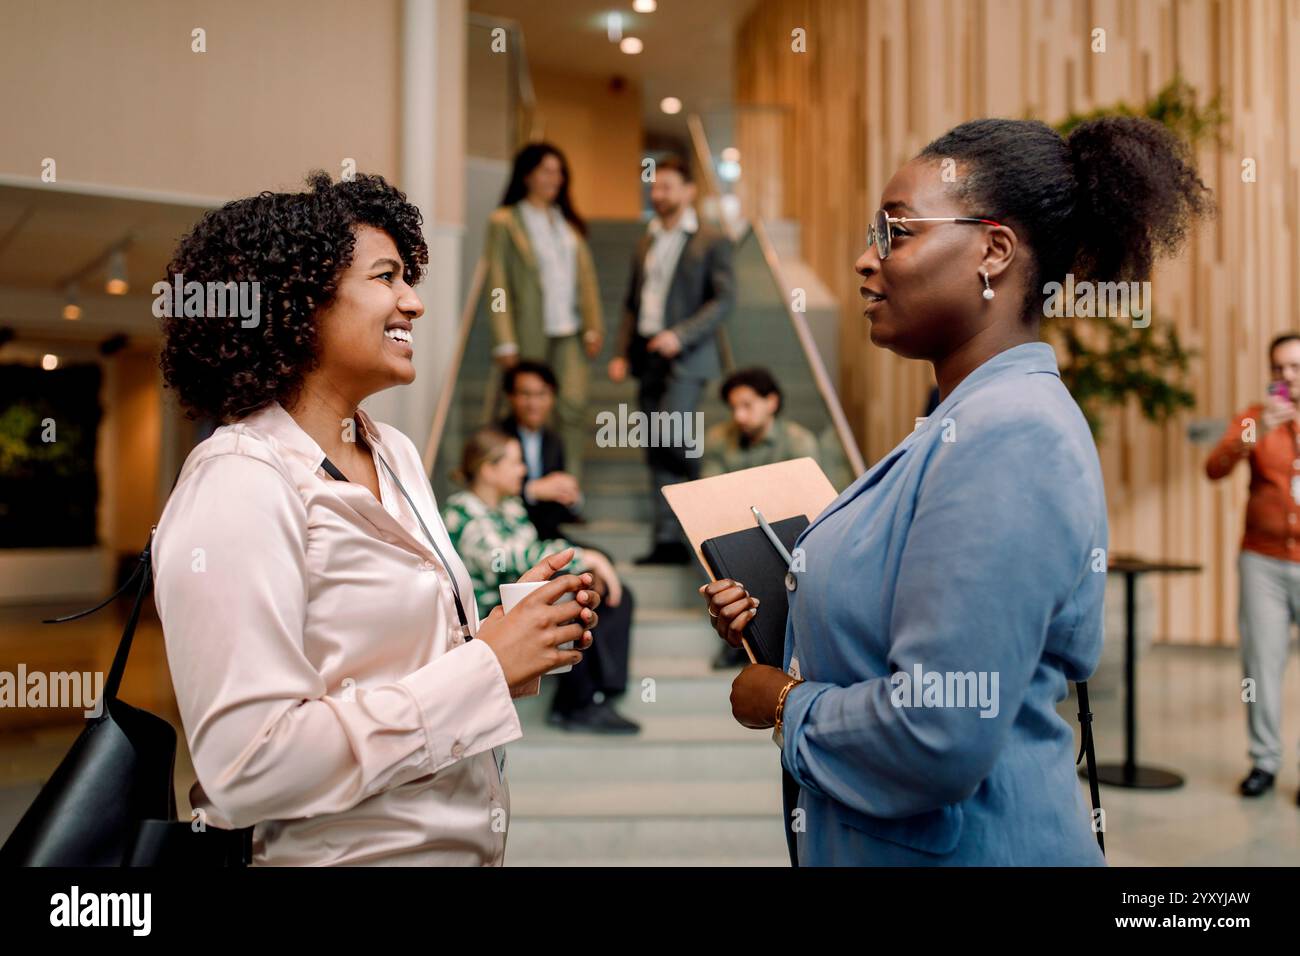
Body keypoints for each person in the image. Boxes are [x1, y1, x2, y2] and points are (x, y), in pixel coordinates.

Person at [702, 116, 1213, 865]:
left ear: (993, 251)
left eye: (896, 233)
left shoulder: (1011, 432)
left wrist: (783, 703)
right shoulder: (959, 420)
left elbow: (938, 728)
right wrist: (782, 619)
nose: (863, 261)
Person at [152, 172, 602, 866]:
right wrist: (485, 668)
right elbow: (247, 768)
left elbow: (395, 660)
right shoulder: (239, 481)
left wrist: (512, 634)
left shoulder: (392, 452)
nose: (414, 303)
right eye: (386, 277)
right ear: (298, 302)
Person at [443, 427, 639, 734]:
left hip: (519, 599)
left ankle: (599, 693)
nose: (524, 470)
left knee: (615, 594)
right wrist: (585, 557)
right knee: (570, 588)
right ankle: (577, 703)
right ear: (489, 469)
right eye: (516, 462)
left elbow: (533, 556)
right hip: (490, 614)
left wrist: (588, 566)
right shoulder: (460, 512)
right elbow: (508, 557)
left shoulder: (510, 507)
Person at [609, 155, 734, 565]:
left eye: (666, 187)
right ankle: (667, 540)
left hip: (689, 356)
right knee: (656, 446)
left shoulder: (711, 239)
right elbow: (631, 302)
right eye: (654, 187)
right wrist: (621, 353)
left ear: (689, 191)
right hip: (646, 355)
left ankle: (713, 505)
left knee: (675, 436)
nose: (658, 194)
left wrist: (679, 336)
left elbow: (724, 300)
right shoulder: (647, 239)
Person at [1205, 332, 1300, 803]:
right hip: (1262, 561)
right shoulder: (1255, 419)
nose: (1286, 377)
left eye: (1296, 369)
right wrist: (1256, 432)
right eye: (1279, 369)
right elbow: (1215, 466)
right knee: (1261, 665)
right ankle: (1264, 760)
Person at [485, 142, 603, 488]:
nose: (556, 178)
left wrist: (594, 326)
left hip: (570, 330)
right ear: (527, 175)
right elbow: (497, 285)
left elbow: (587, 279)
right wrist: (504, 338)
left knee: (572, 408)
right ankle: (522, 488)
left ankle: (568, 489)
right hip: (527, 332)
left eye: (560, 171)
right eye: (547, 170)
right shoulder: (506, 221)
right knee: (528, 410)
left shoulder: (567, 222)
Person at [701, 367, 821, 669]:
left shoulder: (799, 442)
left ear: (772, 402)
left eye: (747, 405)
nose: (739, 416)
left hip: (784, 532)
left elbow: (804, 505)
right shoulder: (718, 438)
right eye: (733, 408)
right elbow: (708, 497)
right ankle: (739, 636)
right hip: (732, 528)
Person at [499, 359, 583, 540]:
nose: (534, 404)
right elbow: (488, 491)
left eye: (542, 394)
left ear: (552, 398)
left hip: (544, 533)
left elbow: (556, 505)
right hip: (505, 535)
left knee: (600, 559)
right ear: (510, 397)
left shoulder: (554, 441)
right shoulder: (496, 437)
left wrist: (569, 495)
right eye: (525, 394)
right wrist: (532, 490)